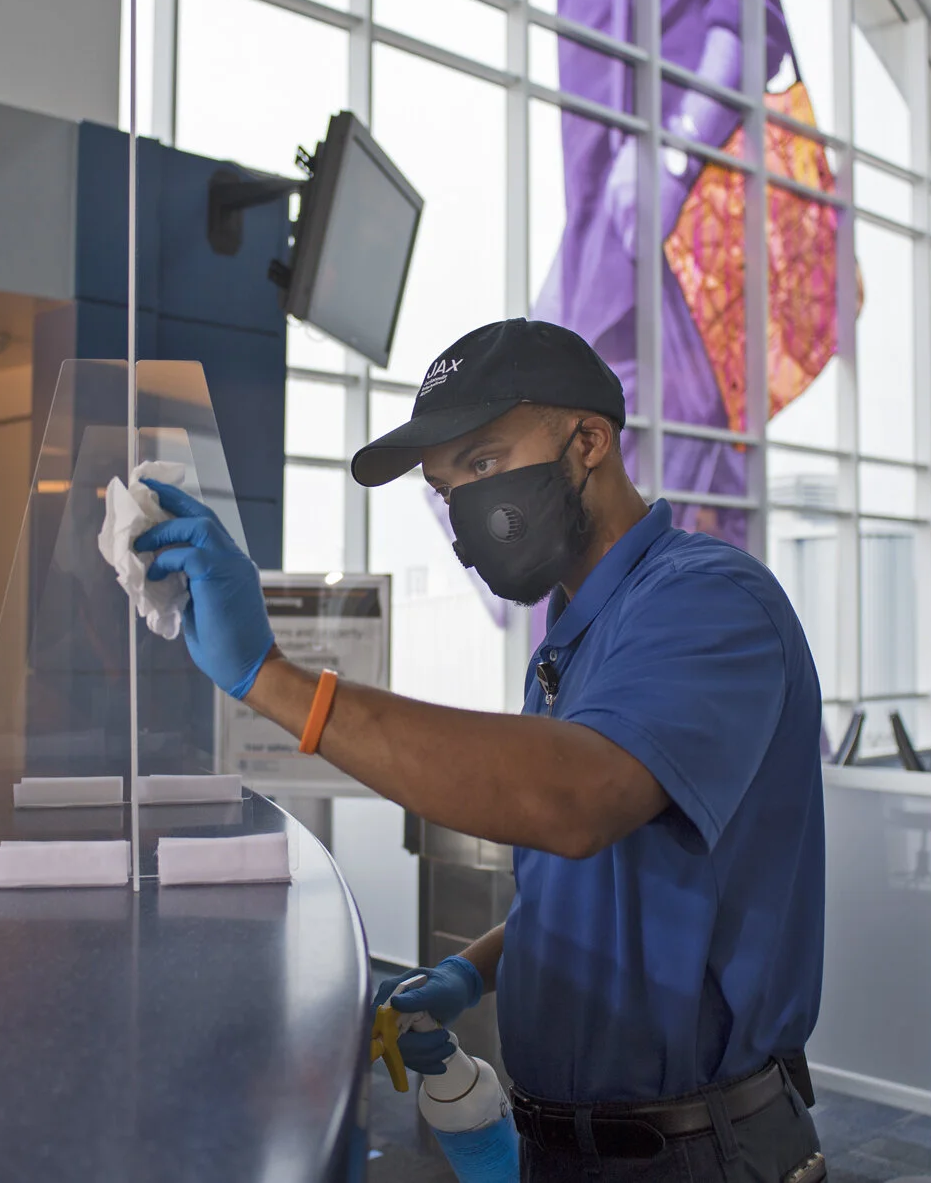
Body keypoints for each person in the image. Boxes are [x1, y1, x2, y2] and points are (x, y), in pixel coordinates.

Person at [137, 319, 826, 1182]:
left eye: (484, 462)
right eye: (444, 484)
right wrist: (473, 969)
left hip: (698, 1151)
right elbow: (592, 882)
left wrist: (271, 681)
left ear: (589, 441)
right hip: (573, 1145)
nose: (462, 503)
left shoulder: (710, 601)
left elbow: (573, 802)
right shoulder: (573, 636)